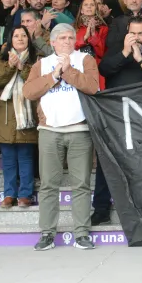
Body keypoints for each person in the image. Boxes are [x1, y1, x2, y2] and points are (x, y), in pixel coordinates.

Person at [24, 24, 100, 250]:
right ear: (53, 42)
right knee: (48, 185)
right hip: (49, 131)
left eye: (70, 37)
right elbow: (29, 92)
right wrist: (55, 73)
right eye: (62, 38)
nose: (67, 41)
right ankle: (47, 233)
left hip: (79, 130)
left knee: (81, 185)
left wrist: (68, 70)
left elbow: (93, 87)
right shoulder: (42, 64)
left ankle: (82, 233)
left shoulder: (85, 60)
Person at [95, 17, 142, 226]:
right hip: (117, 118)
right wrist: (126, 53)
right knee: (107, 163)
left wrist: (139, 58)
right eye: (133, 33)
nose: (136, 38)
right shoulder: (117, 50)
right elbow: (104, 70)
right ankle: (100, 209)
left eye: (141, 34)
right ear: (127, 33)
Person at [0, 26, 38, 209]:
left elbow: (37, 81)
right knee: (8, 158)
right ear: (10, 40)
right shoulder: (2, 58)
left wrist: (21, 67)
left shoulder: (36, 58)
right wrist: (10, 66)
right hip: (5, 114)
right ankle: (9, 194)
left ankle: (25, 194)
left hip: (27, 113)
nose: (20, 38)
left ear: (28, 39)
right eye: (16, 36)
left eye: (24, 35)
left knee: (25, 156)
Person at [74, 0, 109, 89]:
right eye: (86, 5)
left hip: (96, 68)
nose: (89, 7)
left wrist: (93, 34)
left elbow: (102, 53)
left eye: (92, 5)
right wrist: (85, 38)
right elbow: (70, 48)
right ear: (81, 10)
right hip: (77, 67)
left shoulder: (104, 29)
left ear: (96, 9)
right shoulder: (74, 27)